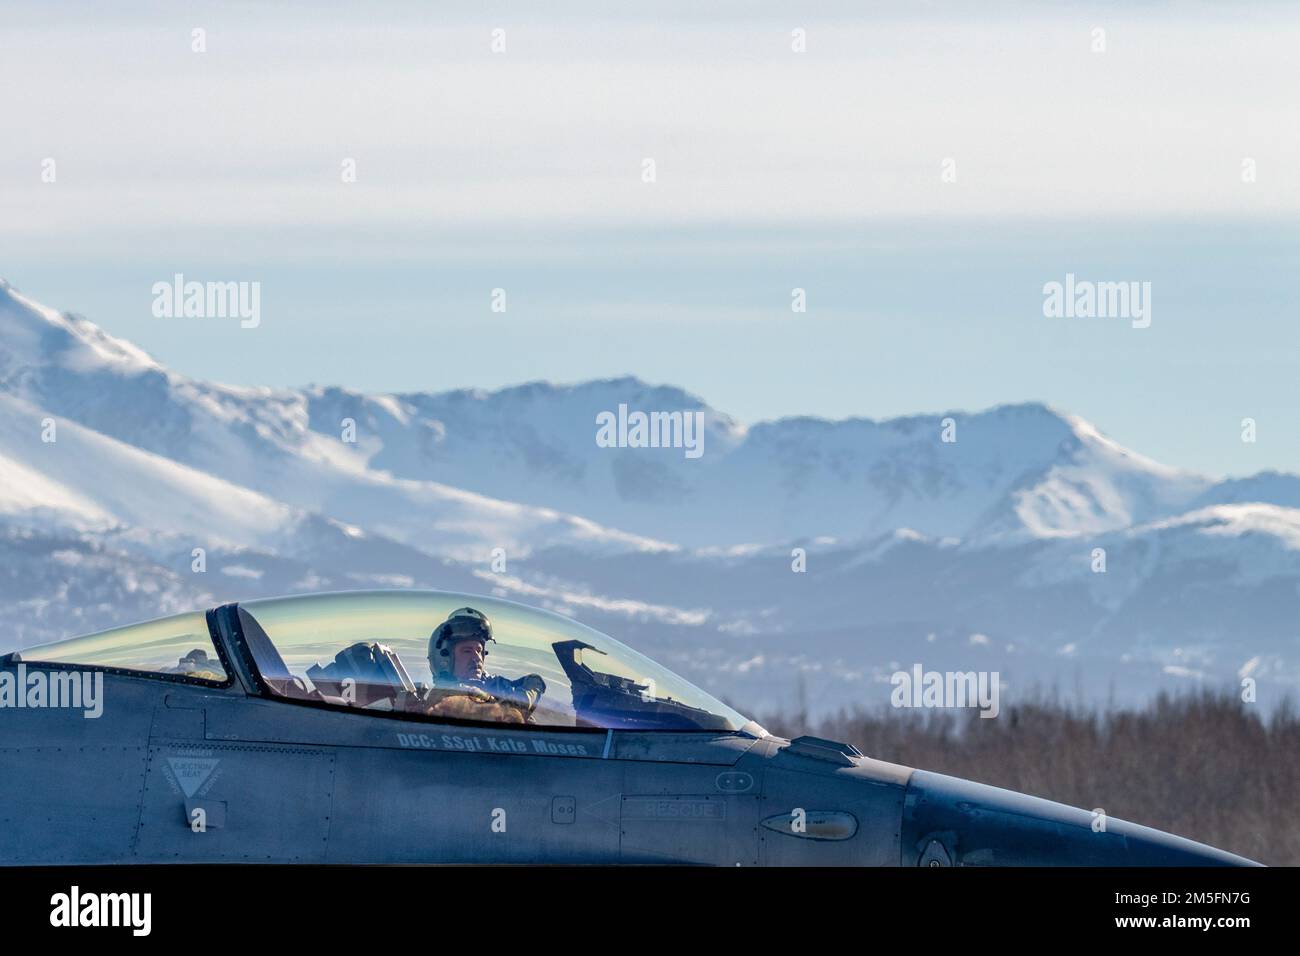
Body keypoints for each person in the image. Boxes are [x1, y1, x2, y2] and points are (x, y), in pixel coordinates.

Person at [412, 607, 546, 724]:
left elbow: (529, 682)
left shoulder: (490, 684)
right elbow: (508, 715)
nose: (476, 658)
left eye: (479, 651)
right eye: (467, 651)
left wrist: (531, 684)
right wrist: (526, 694)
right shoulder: (446, 697)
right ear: (444, 659)